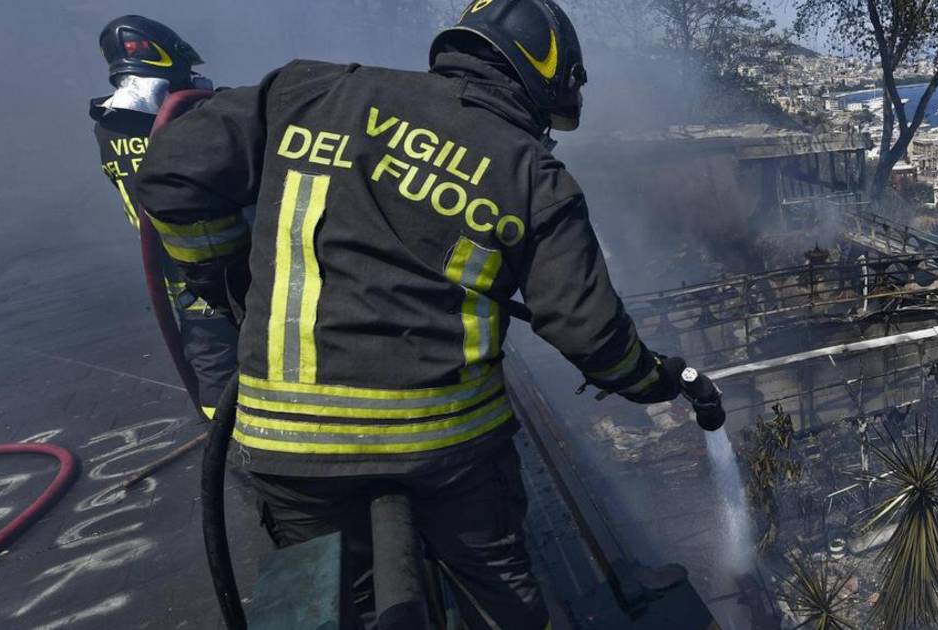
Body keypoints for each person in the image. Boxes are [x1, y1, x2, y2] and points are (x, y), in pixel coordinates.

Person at [135, 1, 688, 627]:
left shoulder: (311, 90)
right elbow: (589, 332)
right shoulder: (530, 171)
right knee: (500, 601)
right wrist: (659, 381)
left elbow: (171, 175)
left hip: (291, 444)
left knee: (343, 607)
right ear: (540, 79)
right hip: (449, 450)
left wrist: (225, 275)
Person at [90, 15, 238, 419]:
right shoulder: (182, 118)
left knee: (210, 354)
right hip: (222, 260)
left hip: (172, 267)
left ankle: (222, 433)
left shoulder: (110, 126)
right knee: (231, 350)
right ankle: (244, 443)